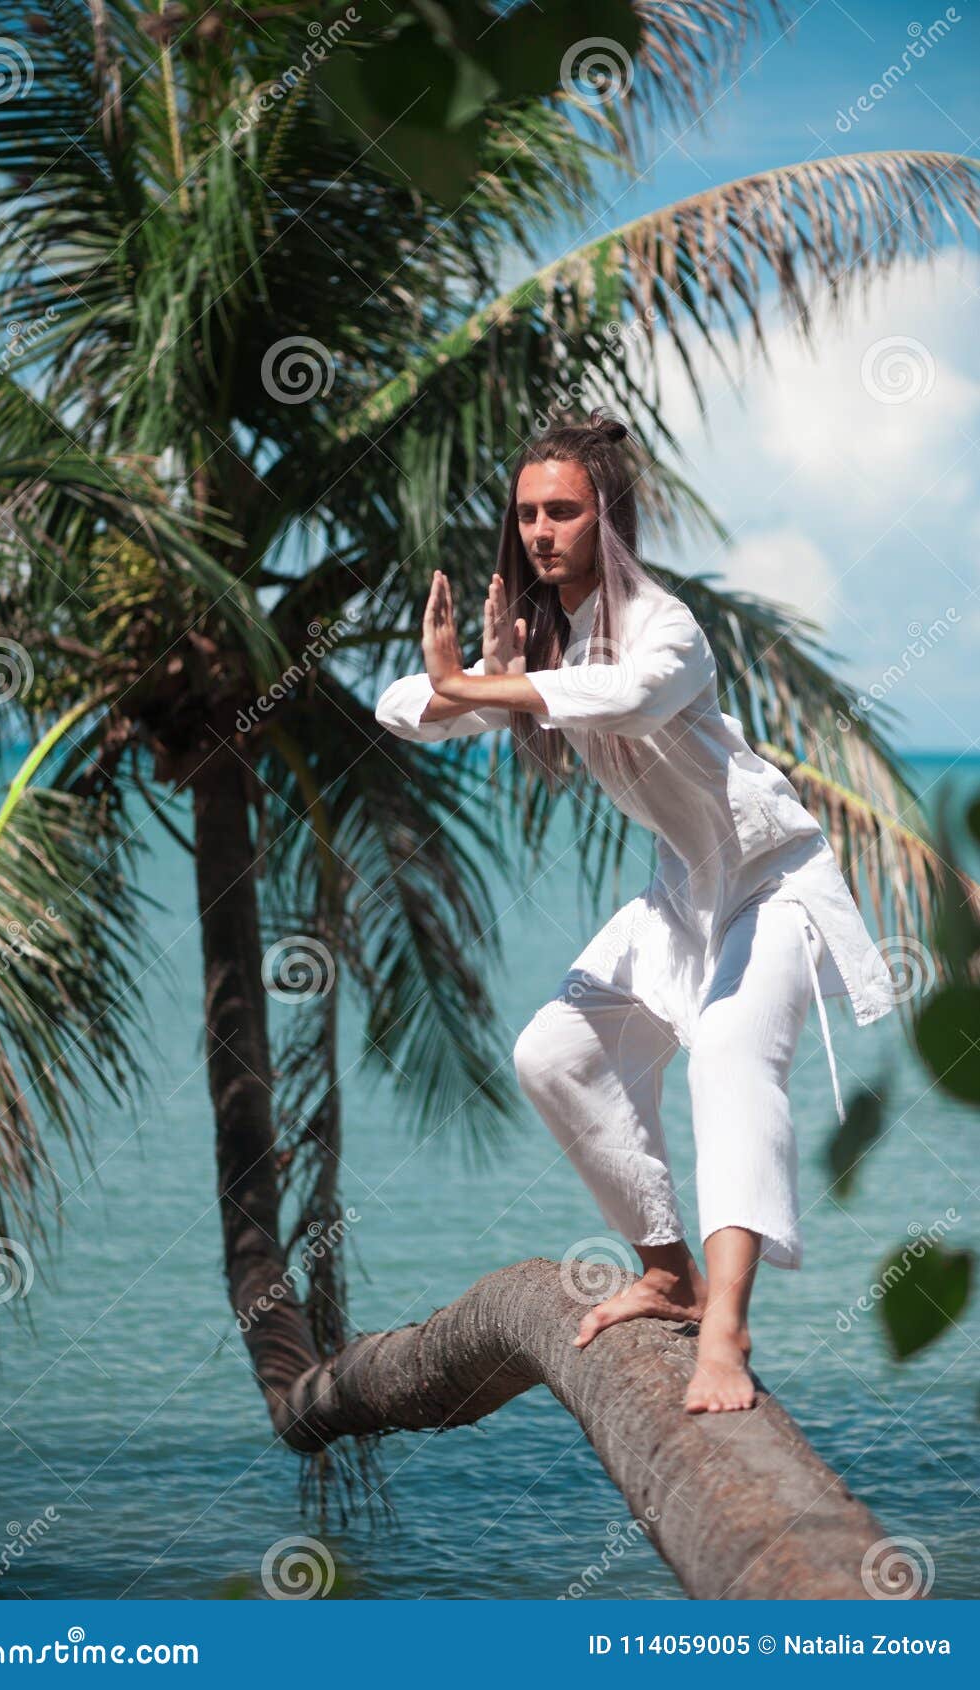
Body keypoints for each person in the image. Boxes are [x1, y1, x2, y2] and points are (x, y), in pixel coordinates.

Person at [374, 412, 895, 1414]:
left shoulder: (665, 626)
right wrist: (459, 684)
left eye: (562, 510)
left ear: (608, 519)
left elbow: (625, 696)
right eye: (527, 512)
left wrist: (483, 683)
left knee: (731, 1052)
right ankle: (666, 1273)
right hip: (681, 901)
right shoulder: (544, 644)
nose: (540, 530)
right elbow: (403, 708)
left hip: (772, 887)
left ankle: (727, 1333)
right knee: (551, 1054)